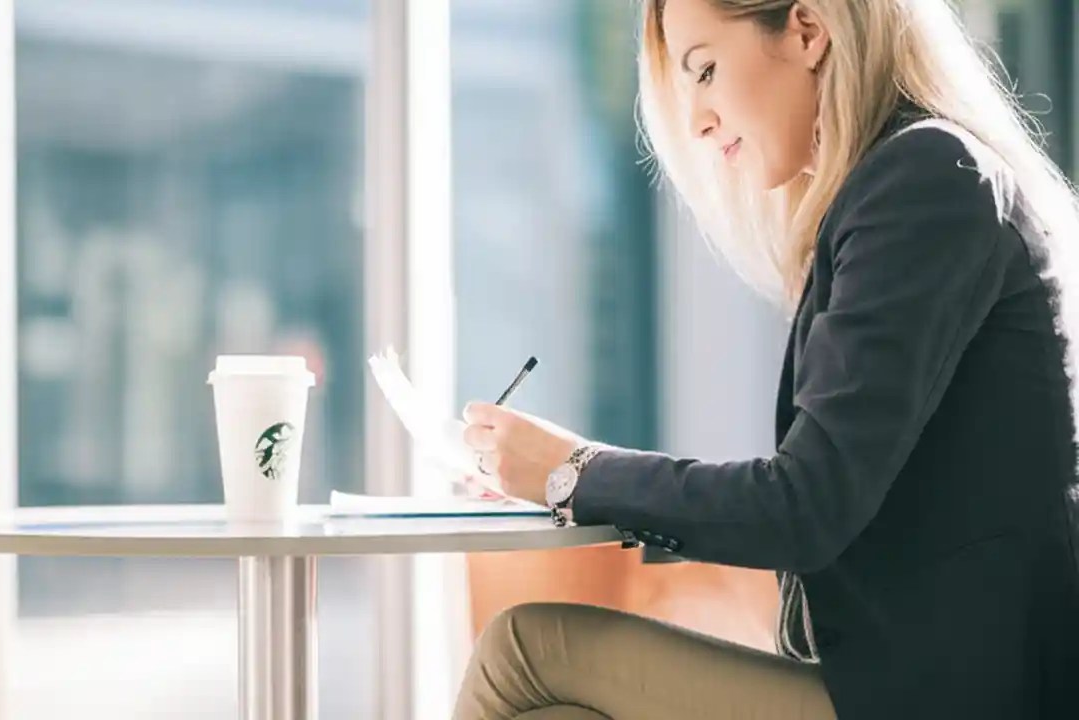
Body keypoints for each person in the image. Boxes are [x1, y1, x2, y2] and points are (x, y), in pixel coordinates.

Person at [452, 1, 1079, 718]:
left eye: (706, 70)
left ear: (808, 31)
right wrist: (571, 476)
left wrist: (574, 473)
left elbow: (805, 504)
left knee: (525, 650)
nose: (697, 122)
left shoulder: (924, 180)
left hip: (952, 698)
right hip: (922, 682)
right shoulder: (914, 180)